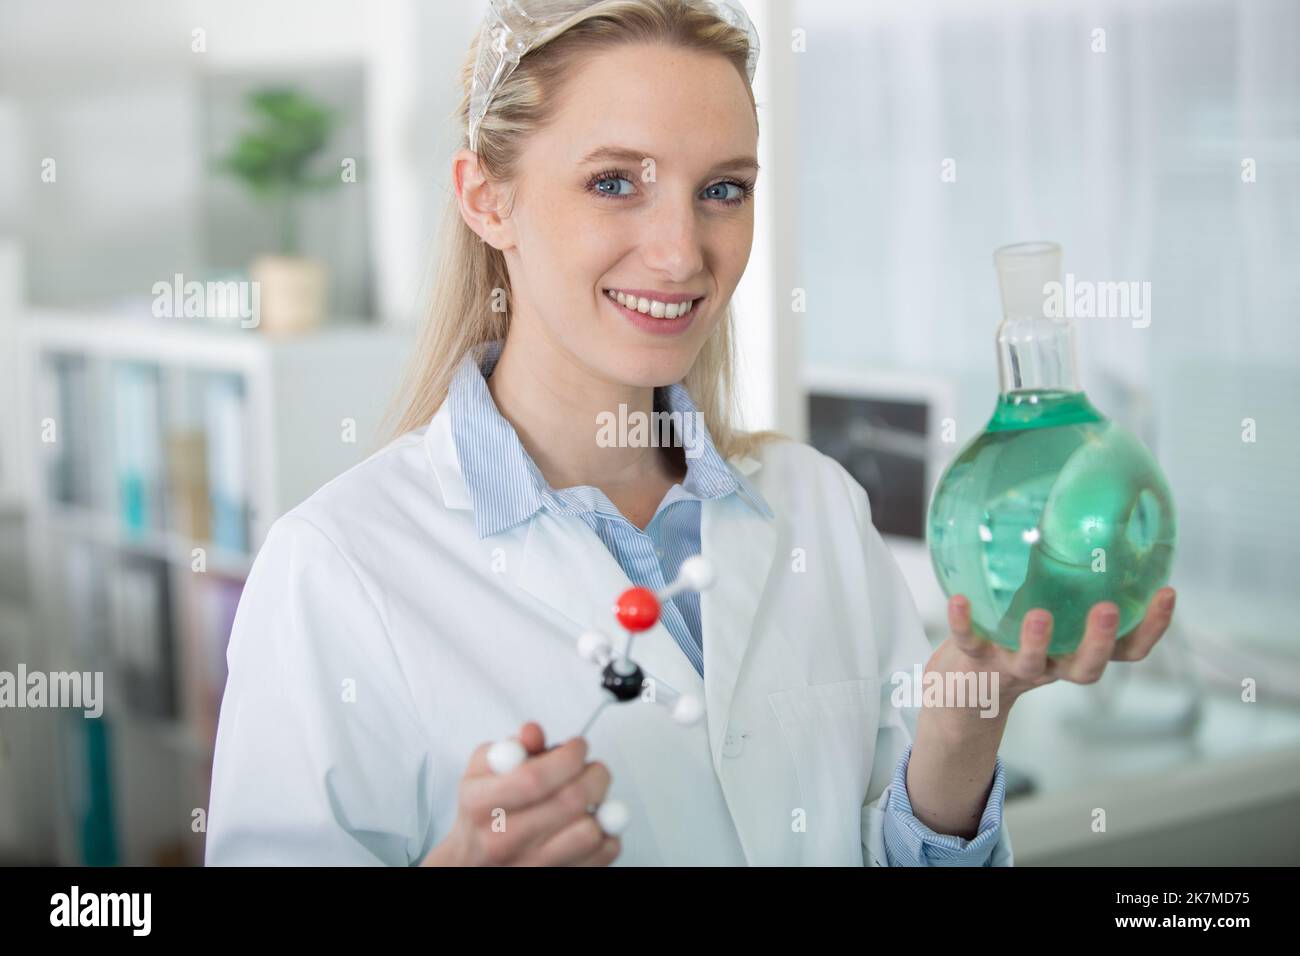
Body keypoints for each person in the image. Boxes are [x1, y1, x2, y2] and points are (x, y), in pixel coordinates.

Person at [204, 0, 1176, 866]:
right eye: (615, 181)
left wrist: (960, 738)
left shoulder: (817, 505)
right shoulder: (336, 568)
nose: (680, 253)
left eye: (722, 189)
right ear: (484, 197)